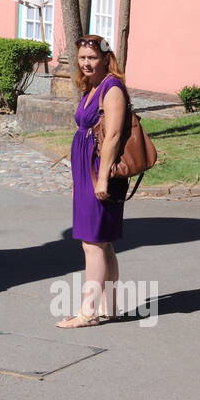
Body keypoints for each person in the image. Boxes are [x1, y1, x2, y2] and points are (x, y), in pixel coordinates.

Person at [57, 34, 131, 328]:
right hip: (87, 169)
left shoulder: (112, 88)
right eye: (82, 58)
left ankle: (87, 312)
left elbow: (112, 136)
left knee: (93, 243)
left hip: (100, 170)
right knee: (104, 242)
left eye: (92, 58)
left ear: (105, 59)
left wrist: (101, 179)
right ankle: (109, 307)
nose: (86, 63)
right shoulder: (94, 87)